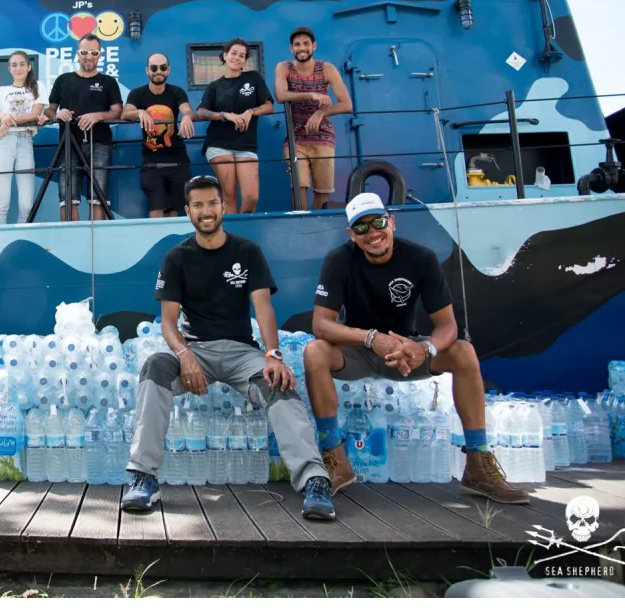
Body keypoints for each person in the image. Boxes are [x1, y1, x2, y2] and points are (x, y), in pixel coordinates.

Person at [122, 175, 336, 520]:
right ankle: (143, 477)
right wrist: (185, 355)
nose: (206, 211)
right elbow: (167, 322)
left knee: (280, 382)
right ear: (188, 211)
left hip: (242, 352)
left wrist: (273, 355)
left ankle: (314, 480)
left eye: (212, 203)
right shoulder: (176, 258)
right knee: (155, 367)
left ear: (223, 206)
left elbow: (263, 308)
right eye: (198, 205)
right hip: (196, 351)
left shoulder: (247, 251)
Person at [303, 194, 529, 505]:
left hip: (408, 353)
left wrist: (426, 349)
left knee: (463, 351)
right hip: (360, 352)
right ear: (351, 235)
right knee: (315, 352)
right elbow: (321, 325)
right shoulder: (338, 260)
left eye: (378, 222)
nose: (372, 233)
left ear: (392, 222)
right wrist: (372, 338)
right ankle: (337, 460)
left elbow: (448, 326)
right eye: (361, 227)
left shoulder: (420, 258)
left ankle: (478, 465)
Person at [273, 26, 352, 210]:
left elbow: (346, 104)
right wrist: (312, 95)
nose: (302, 48)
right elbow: (280, 95)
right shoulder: (284, 67)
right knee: (298, 186)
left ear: (314, 46)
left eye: (306, 43)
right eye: (297, 44)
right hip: (295, 138)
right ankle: (302, 226)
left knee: (322, 192)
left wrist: (321, 112)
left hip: (323, 136)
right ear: (291, 49)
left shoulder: (326, 68)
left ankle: (318, 228)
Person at [45, 33, 122, 221]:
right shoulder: (63, 80)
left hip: (100, 144)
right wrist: (57, 114)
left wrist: (98, 115)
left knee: (98, 200)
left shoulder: (108, 82)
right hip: (68, 146)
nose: (89, 56)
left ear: (100, 55)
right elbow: (49, 111)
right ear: (77, 53)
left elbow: (117, 112)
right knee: (67, 199)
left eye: (94, 52)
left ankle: (97, 246)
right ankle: (71, 245)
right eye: (85, 52)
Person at [194, 39, 274, 214]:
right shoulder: (214, 86)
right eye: (233, 53)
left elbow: (269, 106)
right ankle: (232, 238)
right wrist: (225, 115)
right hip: (218, 143)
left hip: (246, 143)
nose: (237, 58)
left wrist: (250, 112)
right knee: (229, 197)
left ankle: (242, 234)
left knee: (251, 197)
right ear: (225, 55)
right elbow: (200, 112)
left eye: (242, 55)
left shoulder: (253, 78)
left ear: (245, 60)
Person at [122, 52, 196, 218]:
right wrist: (140, 112)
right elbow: (125, 113)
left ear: (168, 70)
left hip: (177, 158)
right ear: (147, 70)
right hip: (151, 161)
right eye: (154, 68)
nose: (158, 71)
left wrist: (187, 117)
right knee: (156, 209)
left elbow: (187, 109)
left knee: (174, 210)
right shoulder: (137, 94)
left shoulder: (177, 92)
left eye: (163, 67)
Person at [0, 51, 49, 224]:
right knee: (2, 202)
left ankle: (20, 239)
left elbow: (35, 115)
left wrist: (8, 119)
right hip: (2, 142)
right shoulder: (1, 91)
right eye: (14, 65)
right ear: (9, 69)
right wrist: (2, 117)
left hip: (25, 140)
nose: (18, 68)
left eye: (22, 64)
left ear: (29, 67)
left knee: (26, 204)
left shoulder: (37, 86)